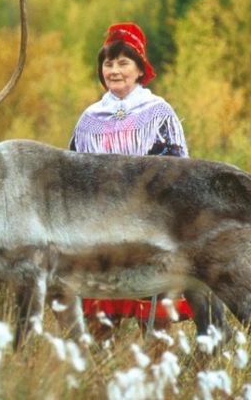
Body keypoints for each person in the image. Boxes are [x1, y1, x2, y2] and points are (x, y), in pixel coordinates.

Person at [70, 22, 192, 338]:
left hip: (149, 229)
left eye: (124, 62)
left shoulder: (158, 113)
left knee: (154, 324)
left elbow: (175, 170)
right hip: (101, 232)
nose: (114, 70)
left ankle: (157, 380)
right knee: (99, 323)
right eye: (108, 63)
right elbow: (72, 174)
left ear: (140, 70)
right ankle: (99, 380)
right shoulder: (89, 119)